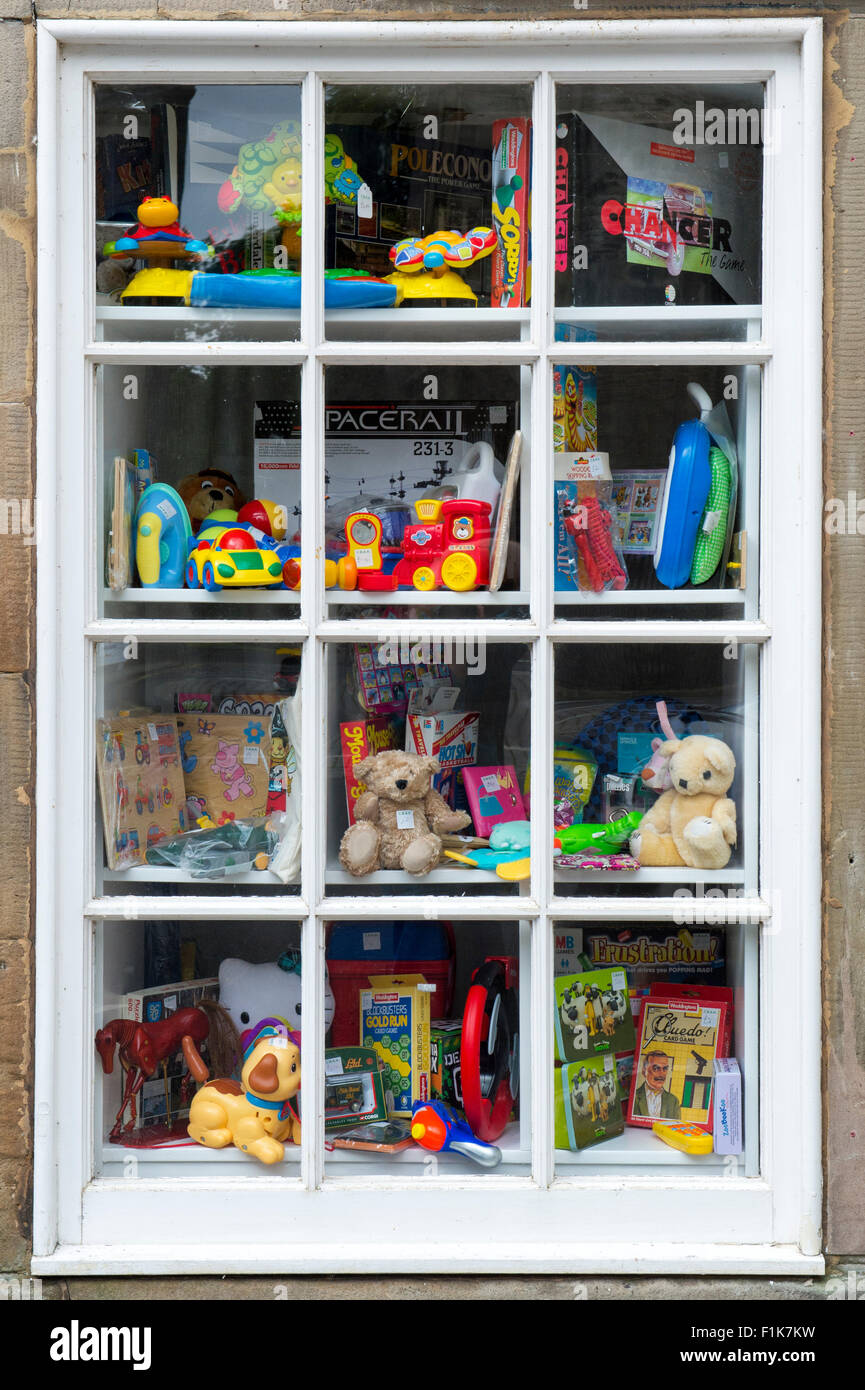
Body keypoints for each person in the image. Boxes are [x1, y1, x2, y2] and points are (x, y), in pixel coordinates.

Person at [632, 1050, 681, 1120]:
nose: (661, 1073)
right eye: (656, 1068)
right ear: (643, 1071)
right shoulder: (634, 1097)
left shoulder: (673, 1101)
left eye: (665, 1068)